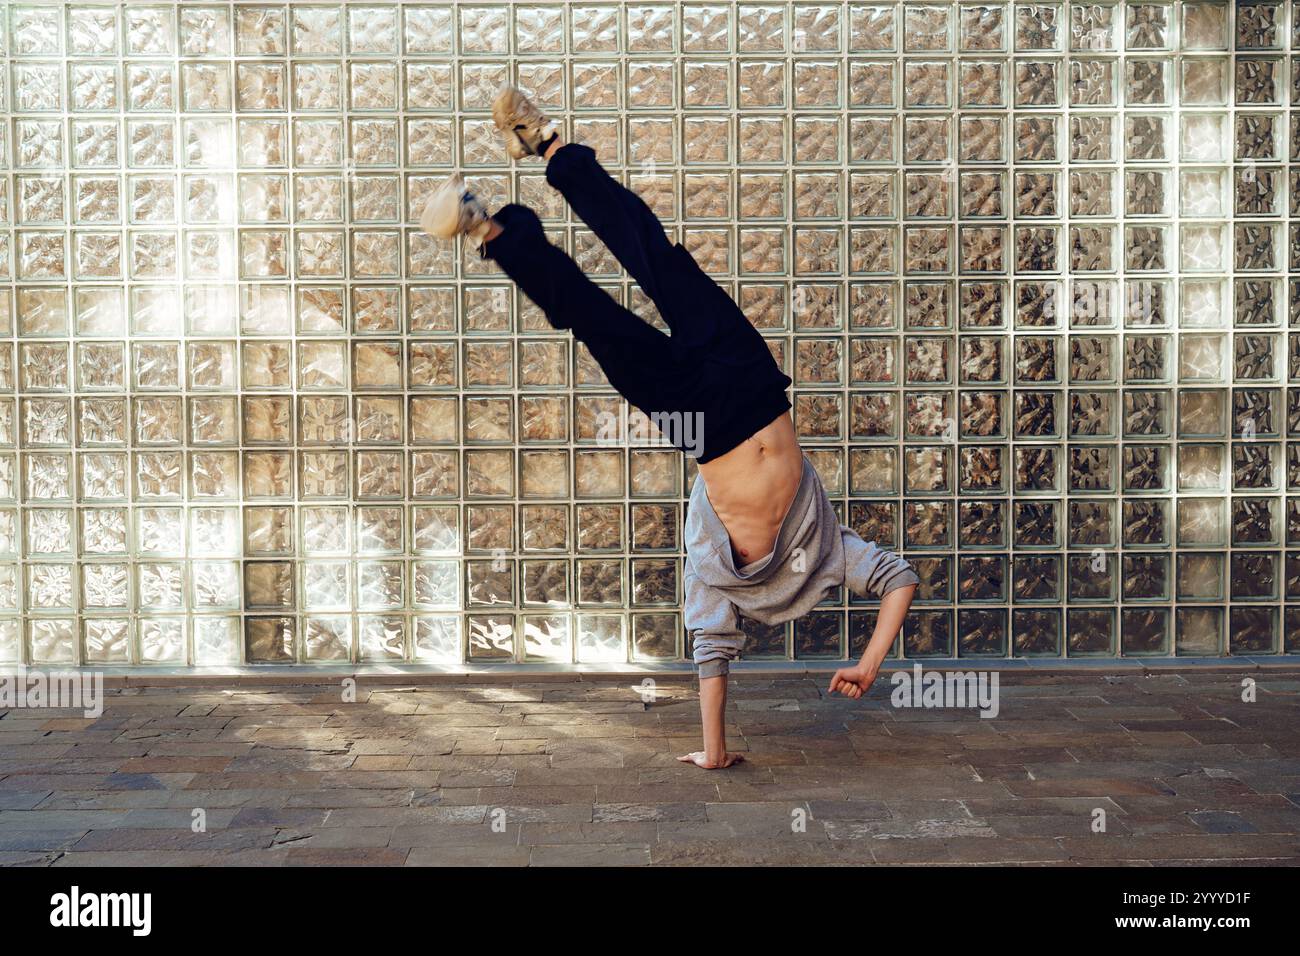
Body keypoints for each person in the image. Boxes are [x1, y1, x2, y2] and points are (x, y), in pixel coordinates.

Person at [422, 87, 919, 770]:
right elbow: (900, 581)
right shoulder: (829, 557)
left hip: (698, 424)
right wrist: (867, 664)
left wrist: (714, 752)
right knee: (656, 256)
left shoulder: (713, 577)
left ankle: (489, 229)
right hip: (749, 379)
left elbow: (710, 654)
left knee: (592, 318)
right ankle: (547, 144)